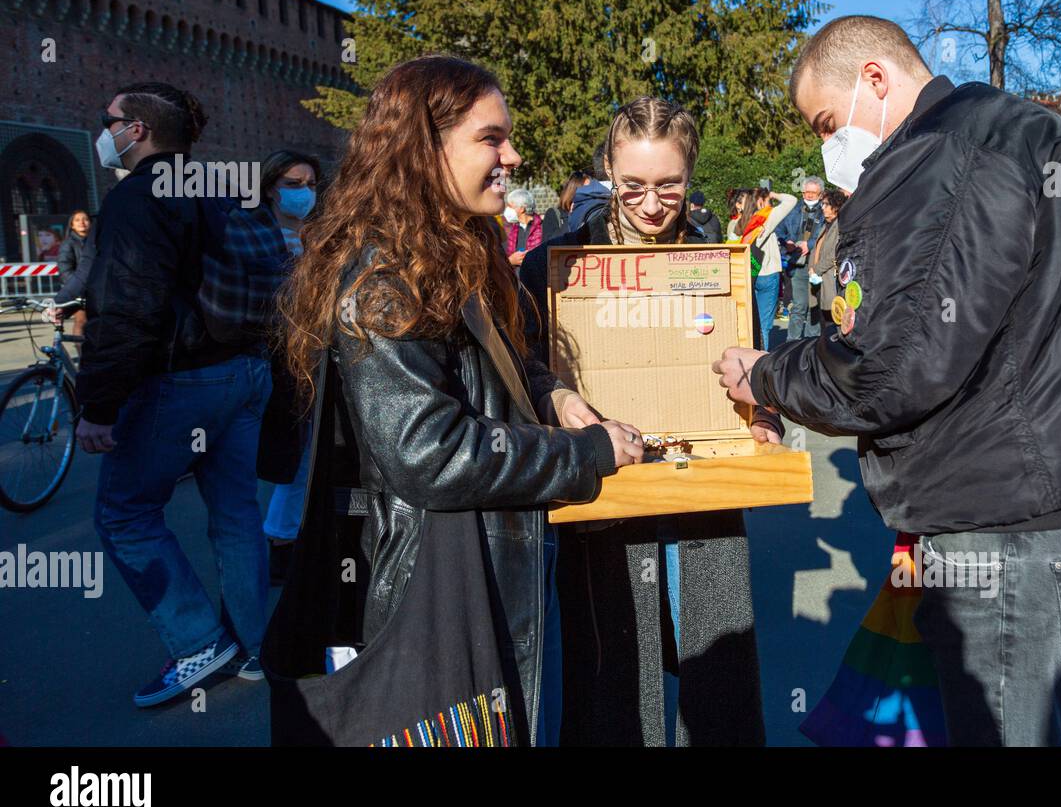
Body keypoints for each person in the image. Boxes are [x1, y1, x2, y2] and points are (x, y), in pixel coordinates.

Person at [714, 14, 1061, 747]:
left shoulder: (943, 157)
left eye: (828, 122)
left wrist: (767, 373)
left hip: (1016, 524)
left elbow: (891, 370)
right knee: (1052, 722)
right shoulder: (1017, 129)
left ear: (876, 78)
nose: (829, 145)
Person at [264, 56, 641, 747]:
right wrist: (588, 452)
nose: (512, 155)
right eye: (491, 139)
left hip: (494, 564)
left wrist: (550, 394)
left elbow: (492, 362)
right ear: (422, 148)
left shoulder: (447, 248)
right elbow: (429, 452)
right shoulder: (382, 278)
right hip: (437, 591)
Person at [519, 96, 775, 747]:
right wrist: (553, 394)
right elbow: (521, 368)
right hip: (603, 489)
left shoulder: (719, 255)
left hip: (703, 488)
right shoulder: (556, 261)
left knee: (714, 659)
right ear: (608, 167)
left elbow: (754, 360)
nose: (653, 204)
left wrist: (762, 413)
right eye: (633, 187)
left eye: (670, 186)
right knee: (612, 671)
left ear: (691, 174)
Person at [76, 82, 274, 706]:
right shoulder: (223, 186)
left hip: (180, 380)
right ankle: (252, 648)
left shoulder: (138, 198)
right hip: (245, 373)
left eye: (109, 120)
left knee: (126, 514)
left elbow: (127, 308)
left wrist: (99, 406)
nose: (103, 129)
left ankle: (197, 643)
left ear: (137, 131)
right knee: (238, 516)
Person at [254, 150, 321, 586]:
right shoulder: (257, 236)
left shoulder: (320, 237)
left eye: (311, 185)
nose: (304, 194)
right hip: (276, 363)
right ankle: (278, 542)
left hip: (318, 358)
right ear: (270, 189)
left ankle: (286, 540)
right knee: (293, 457)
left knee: (307, 455)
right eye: (293, 185)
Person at [735, 186, 797, 349]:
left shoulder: (739, 222)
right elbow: (791, 200)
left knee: (749, 321)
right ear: (761, 201)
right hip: (767, 275)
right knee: (764, 325)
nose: (771, 205)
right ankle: (760, 360)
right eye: (769, 201)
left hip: (748, 274)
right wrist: (774, 194)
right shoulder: (765, 219)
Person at [777, 175, 826, 340]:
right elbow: (779, 230)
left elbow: (828, 232)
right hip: (797, 263)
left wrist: (810, 244)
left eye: (813, 192)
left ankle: (812, 343)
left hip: (817, 263)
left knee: (815, 305)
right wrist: (787, 241)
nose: (809, 195)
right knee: (798, 306)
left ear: (821, 194)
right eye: (806, 192)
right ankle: (792, 345)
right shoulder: (793, 209)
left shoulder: (825, 210)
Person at [53, 209, 94, 349]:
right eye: (77, 220)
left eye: (85, 219)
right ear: (72, 225)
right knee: (81, 321)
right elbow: (65, 270)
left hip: (96, 291)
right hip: (79, 293)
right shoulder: (68, 244)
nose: (82, 223)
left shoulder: (96, 242)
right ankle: (82, 360)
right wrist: (80, 288)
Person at [810, 190, 844, 325]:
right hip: (819, 279)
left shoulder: (839, 226)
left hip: (830, 279)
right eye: (822, 204)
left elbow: (834, 254)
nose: (822, 207)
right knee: (823, 321)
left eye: (826, 204)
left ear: (835, 206)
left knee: (831, 321)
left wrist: (816, 269)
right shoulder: (826, 225)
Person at [503, 188, 543, 267]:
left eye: (510, 206)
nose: (507, 209)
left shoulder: (541, 228)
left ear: (521, 209)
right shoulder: (512, 229)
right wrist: (510, 261)